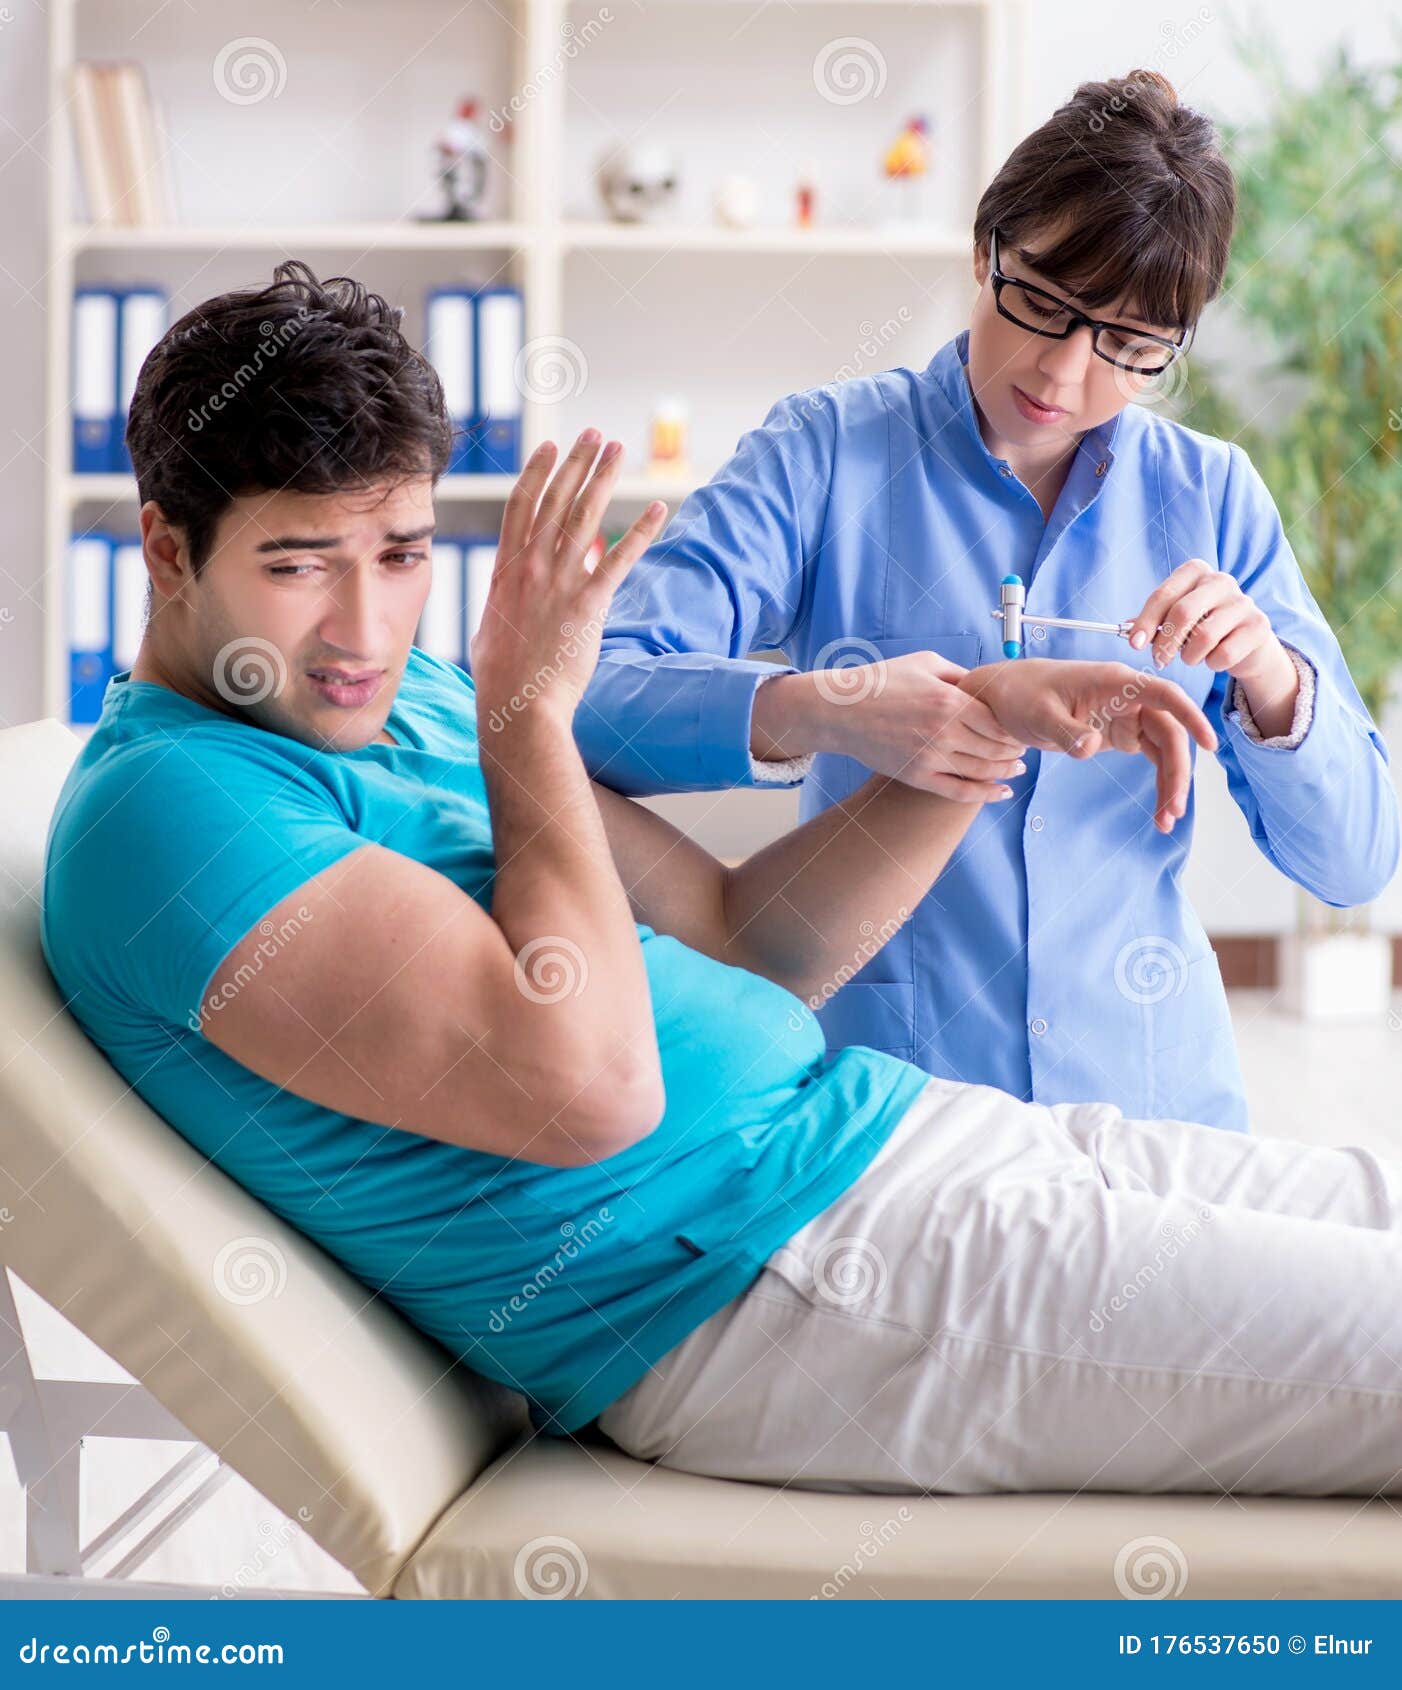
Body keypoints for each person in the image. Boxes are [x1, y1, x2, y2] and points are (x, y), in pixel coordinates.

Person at [42, 263, 1402, 1499]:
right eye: (297, 566)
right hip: (767, 1284)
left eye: (400, 555)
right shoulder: (168, 813)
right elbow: (590, 1088)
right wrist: (529, 719)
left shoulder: (413, 704)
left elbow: (744, 938)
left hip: (895, 1134)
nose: (363, 630)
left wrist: (978, 725)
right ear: (166, 551)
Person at [574, 70, 1400, 1135]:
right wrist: (821, 709)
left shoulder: (1212, 495)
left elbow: (1354, 864)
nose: (1063, 372)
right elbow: (583, 698)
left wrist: (1272, 681)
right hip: (899, 1113)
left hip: (1152, 1113)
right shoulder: (825, 451)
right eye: (1043, 304)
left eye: (1129, 347)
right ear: (986, 248)